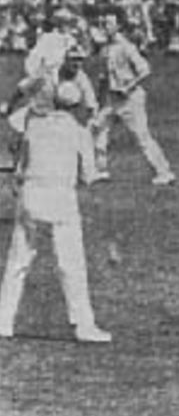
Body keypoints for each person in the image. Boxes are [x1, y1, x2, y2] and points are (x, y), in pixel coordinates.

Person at [0, 80, 111, 343]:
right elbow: (89, 176)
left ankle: (3, 321)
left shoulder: (35, 126)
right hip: (60, 198)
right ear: (76, 107)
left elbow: (20, 166)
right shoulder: (79, 132)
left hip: (30, 195)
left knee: (18, 262)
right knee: (70, 264)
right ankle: (84, 326)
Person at [92, 12, 175, 185]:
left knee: (141, 136)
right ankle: (99, 170)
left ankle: (164, 172)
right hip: (112, 98)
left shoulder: (127, 47)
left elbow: (145, 70)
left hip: (130, 98)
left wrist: (128, 87)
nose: (104, 27)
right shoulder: (105, 49)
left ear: (118, 27)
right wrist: (99, 101)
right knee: (98, 130)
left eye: (108, 23)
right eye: (103, 24)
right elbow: (104, 78)